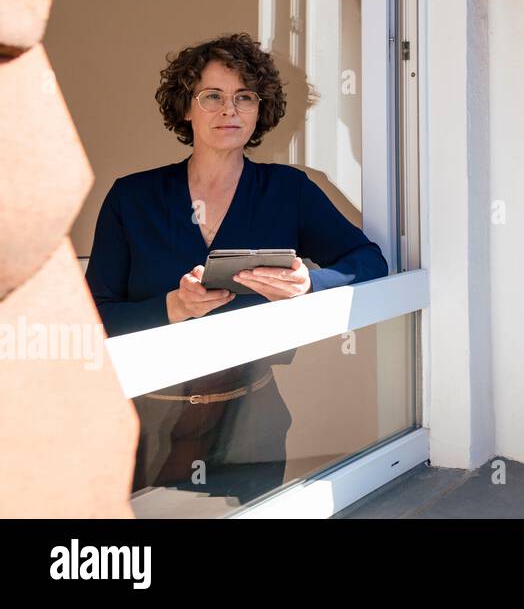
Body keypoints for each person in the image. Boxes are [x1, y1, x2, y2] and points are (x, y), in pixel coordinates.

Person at [86, 32, 388, 503]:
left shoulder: (290, 190)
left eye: (244, 97)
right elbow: (96, 316)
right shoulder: (132, 197)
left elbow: (369, 261)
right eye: (213, 96)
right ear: (185, 108)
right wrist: (173, 306)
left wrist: (310, 283)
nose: (230, 110)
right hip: (145, 422)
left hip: (251, 422)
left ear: (258, 110)